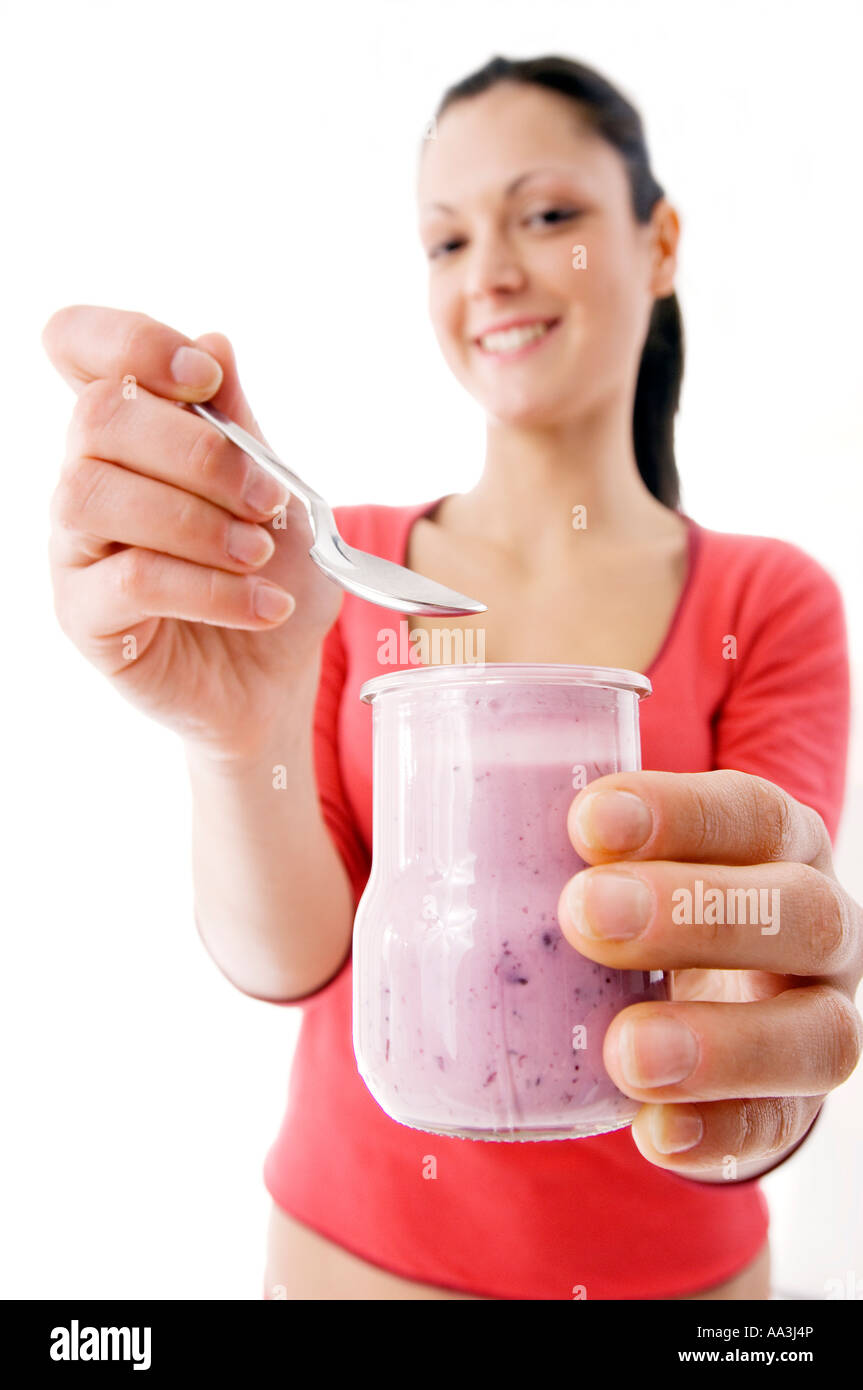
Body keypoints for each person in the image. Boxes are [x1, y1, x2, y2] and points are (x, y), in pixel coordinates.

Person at [43, 54, 863, 1301]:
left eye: (546, 215)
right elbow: (296, 955)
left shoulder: (767, 599)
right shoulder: (337, 572)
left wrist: (758, 1057)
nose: (488, 272)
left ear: (656, 244)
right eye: (445, 239)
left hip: (679, 1289)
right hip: (349, 1264)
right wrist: (238, 738)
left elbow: (749, 981)